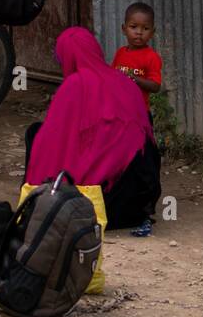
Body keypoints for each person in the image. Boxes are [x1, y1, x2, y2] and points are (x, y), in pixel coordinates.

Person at [24, 27, 161, 231]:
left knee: (36, 132)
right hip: (134, 207)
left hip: (88, 211)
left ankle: (47, 196)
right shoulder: (126, 82)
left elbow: (52, 146)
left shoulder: (73, 86)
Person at [112, 2, 162, 114]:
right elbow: (112, 77)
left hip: (140, 113)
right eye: (133, 27)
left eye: (145, 28)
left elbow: (155, 86)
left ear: (152, 33)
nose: (139, 32)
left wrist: (133, 78)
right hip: (119, 111)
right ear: (124, 29)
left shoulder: (151, 57)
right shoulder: (120, 53)